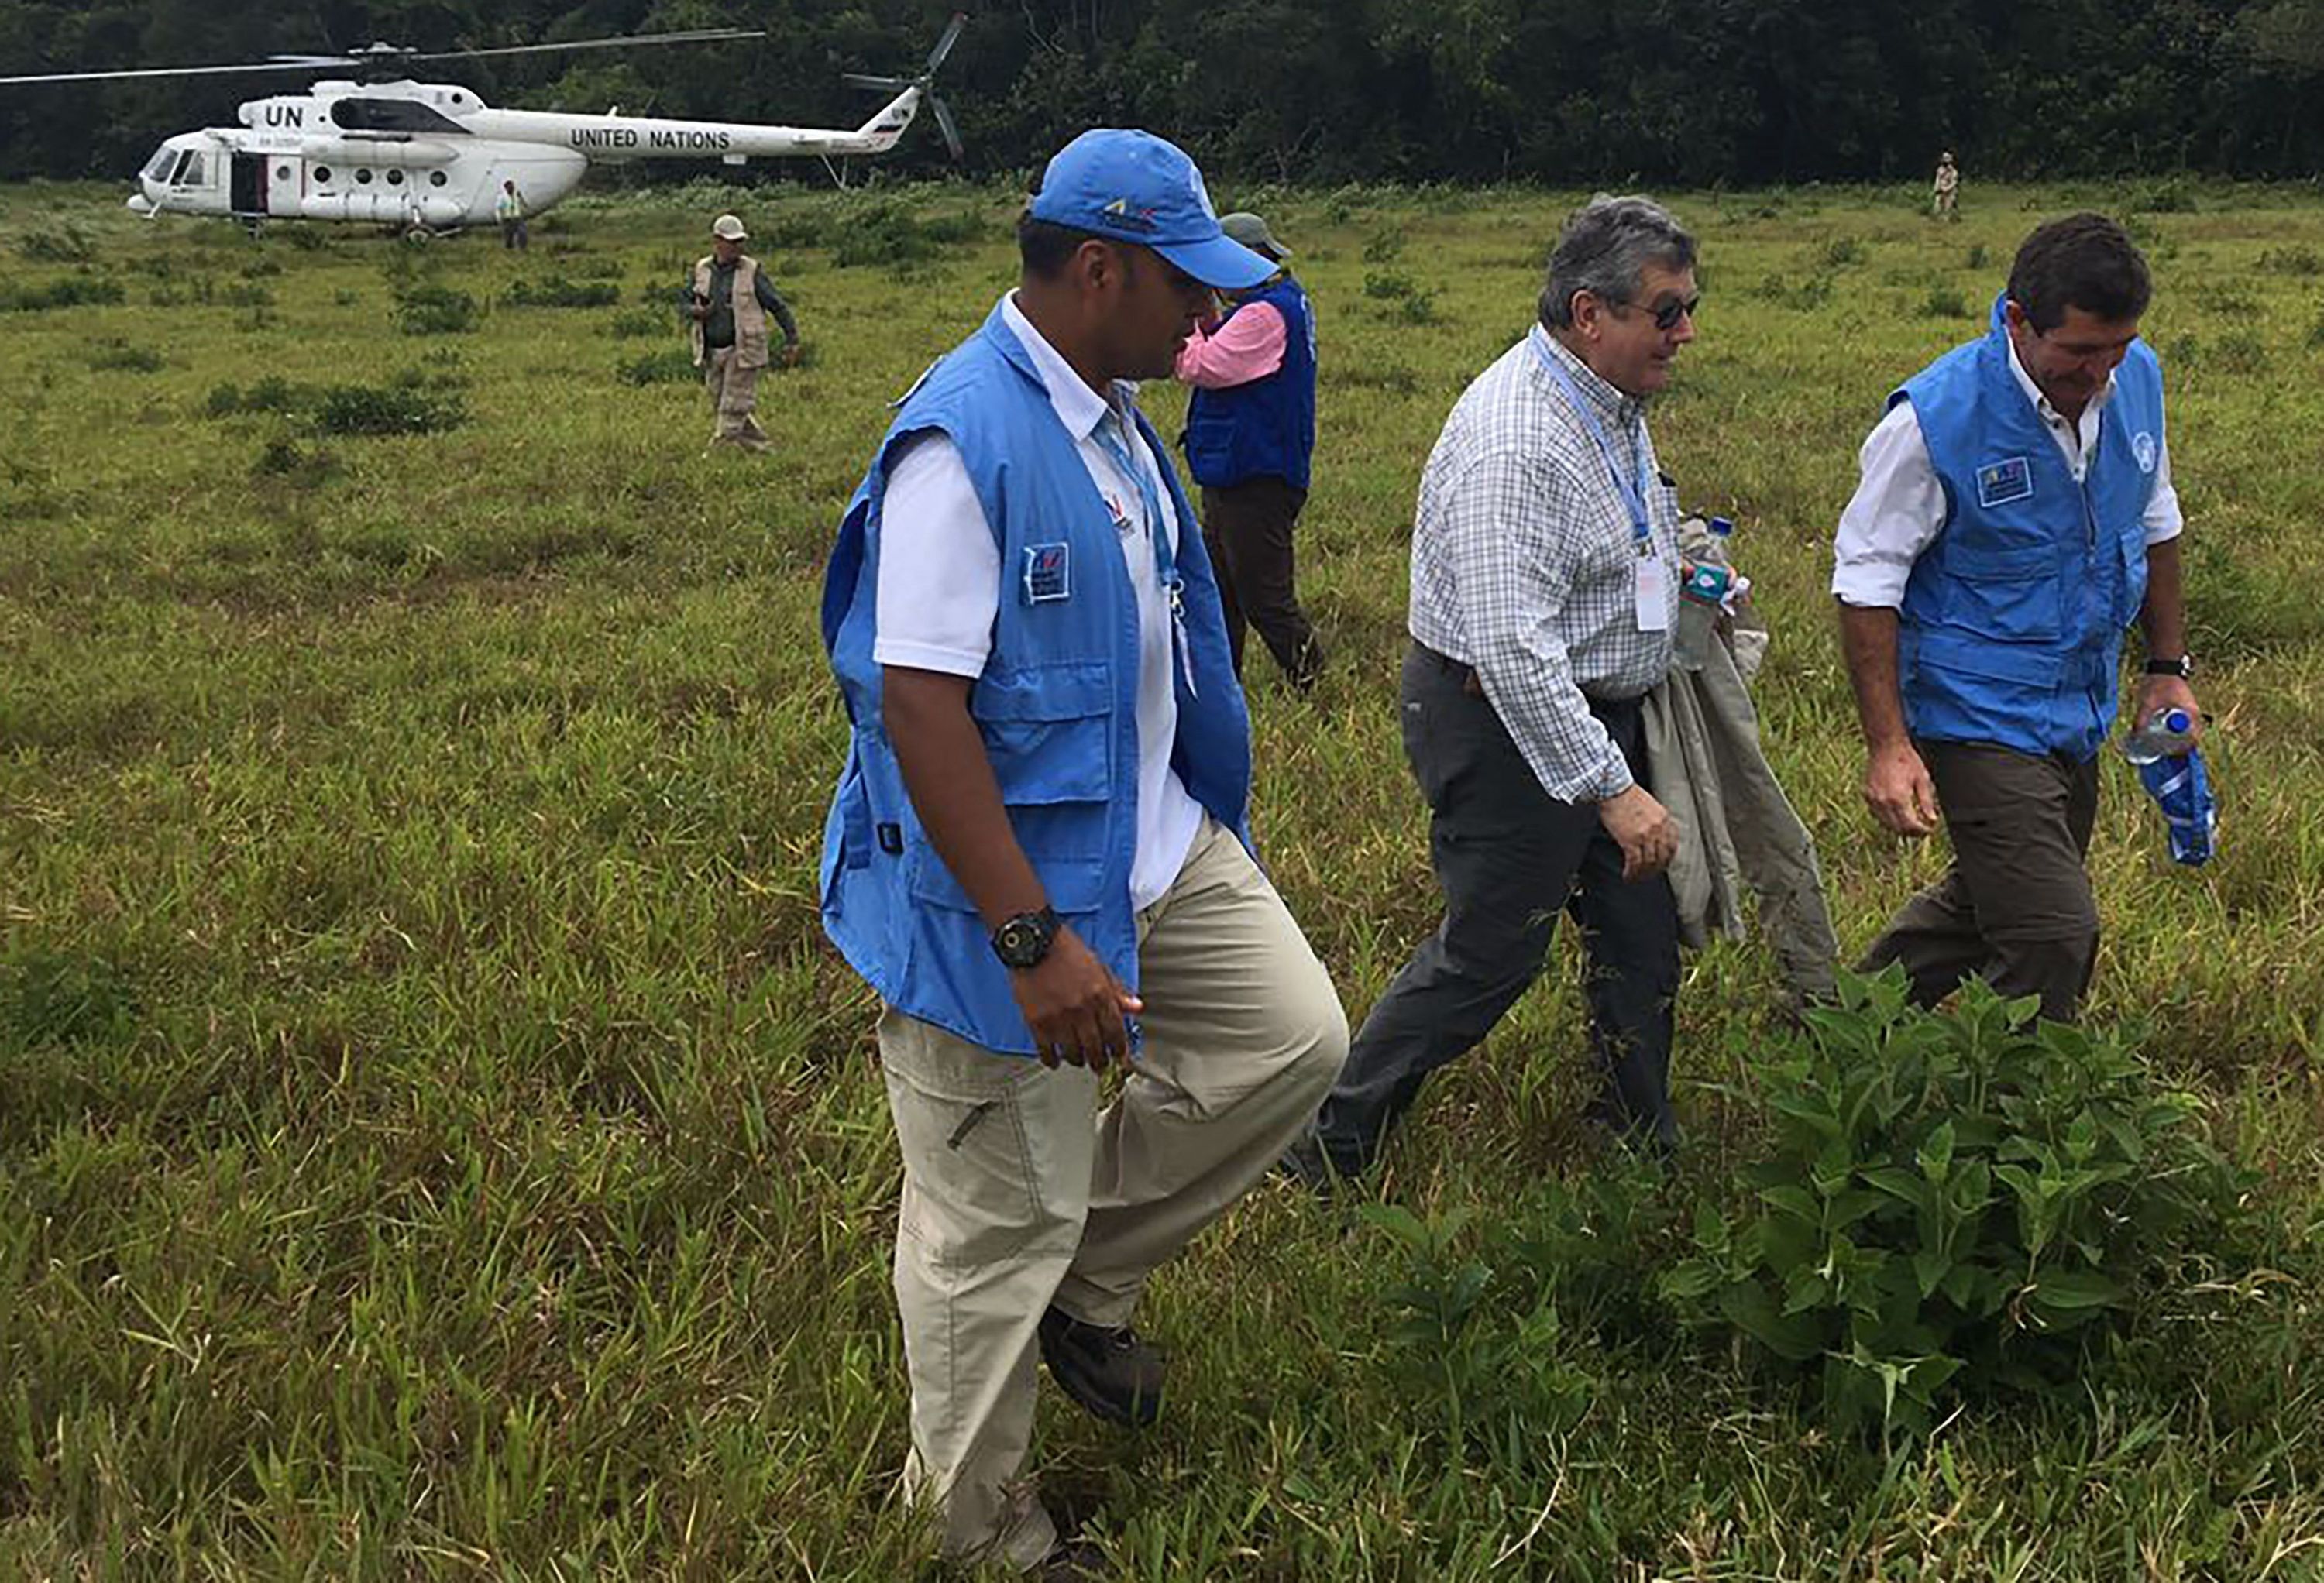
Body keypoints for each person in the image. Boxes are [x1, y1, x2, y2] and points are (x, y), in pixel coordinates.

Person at [816, 129, 1348, 1576]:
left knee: (1292, 1042)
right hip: (1008, 900)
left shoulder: (1113, 413)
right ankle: (984, 1535)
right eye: (1189, 284)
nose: (1209, 315)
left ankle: (1084, 1275)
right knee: (991, 1223)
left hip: (1153, 851)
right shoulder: (964, 438)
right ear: (1100, 266)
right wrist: (1028, 934)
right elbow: (916, 706)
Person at [1286, 195, 1697, 1186]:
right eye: (1667, 312)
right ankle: (1329, 1146)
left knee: (1642, 936)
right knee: (1490, 954)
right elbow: (1514, 652)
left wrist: (1685, 559)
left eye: (1691, 308)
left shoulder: (1603, 397)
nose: (1686, 333)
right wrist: (1610, 786)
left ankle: (1636, 1135)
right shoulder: (1517, 440)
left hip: (1588, 707)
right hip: (1504, 718)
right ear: (1590, 313)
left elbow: (1614, 533)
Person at [1832, 213, 2197, 1024]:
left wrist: (2166, 670)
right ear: (2016, 321)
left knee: (1983, 904)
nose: (2101, 374)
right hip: (1974, 715)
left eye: (2118, 347)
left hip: (2078, 705)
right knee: (2053, 932)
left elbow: (2156, 518)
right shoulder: (1933, 421)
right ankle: (2013, 1120)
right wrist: (1890, 746)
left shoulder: (2136, 380)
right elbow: (1866, 581)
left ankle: (1835, 1026)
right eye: (2077, 353)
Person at [1174, 209, 1323, 688]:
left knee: (1263, 597)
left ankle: (1313, 683)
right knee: (1222, 593)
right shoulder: (1283, 301)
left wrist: (1189, 321)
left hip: (1254, 475)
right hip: (1240, 470)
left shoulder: (1263, 315)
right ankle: (1225, 685)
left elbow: (1203, 366)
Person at [684, 213, 799, 454]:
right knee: (720, 402)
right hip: (712, 350)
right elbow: (684, 302)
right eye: (732, 241)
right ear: (717, 241)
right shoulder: (702, 269)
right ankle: (764, 449)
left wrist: (792, 339)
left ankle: (715, 453)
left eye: (740, 241)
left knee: (734, 406)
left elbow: (776, 305)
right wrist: (695, 311)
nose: (738, 247)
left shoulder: (752, 270)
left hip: (742, 348)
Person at [495, 179, 528, 251]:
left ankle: (522, 248)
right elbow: (498, 208)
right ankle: (509, 249)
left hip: (517, 217)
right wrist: (499, 218)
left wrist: (521, 198)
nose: (512, 188)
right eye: (510, 187)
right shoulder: (502, 197)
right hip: (507, 219)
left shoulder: (517, 195)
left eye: (513, 186)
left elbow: (523, 204)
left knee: (523, 232)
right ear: (506, 188)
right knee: (509, 237)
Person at [1933, 151, 1961, 219]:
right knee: (1937, 207)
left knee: (1947, 208)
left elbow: (1954, 183)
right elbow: (1938, 179)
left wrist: (1947, 189)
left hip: (1950, 192)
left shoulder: (1954, 172)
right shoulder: (1940, 170)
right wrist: (1937, 187)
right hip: (1940, 191)